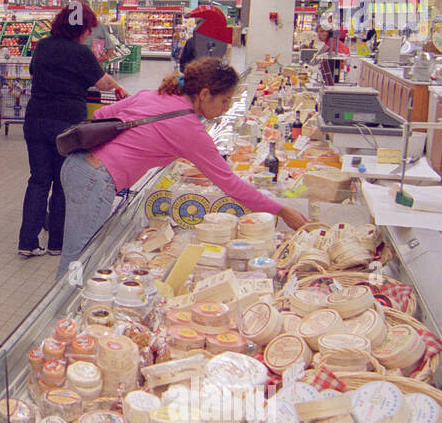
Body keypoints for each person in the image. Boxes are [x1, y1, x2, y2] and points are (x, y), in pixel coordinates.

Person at [56, 59, 309, 280]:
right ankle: (61, 317)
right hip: (95, 180)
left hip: (78, 165)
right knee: (80, 258)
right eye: (224, 100)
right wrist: (281, 210)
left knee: (80, 251)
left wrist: (142, 144)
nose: (227, 107)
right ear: (204, 94)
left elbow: (102, 114)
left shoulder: (154, 95)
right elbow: (230, 184)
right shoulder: (188, 127)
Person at [19, 2, 127, 258]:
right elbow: (102, 84)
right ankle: (57, 243)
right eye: (88, 29)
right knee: (62, 181)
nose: (90, 34)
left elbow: (36, 73)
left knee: (38, 180)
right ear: (80, 28)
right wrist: (118, 87)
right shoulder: (81, 53)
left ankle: (28, 242)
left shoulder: (43, 46)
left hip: (36, 120)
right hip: (67, 125)